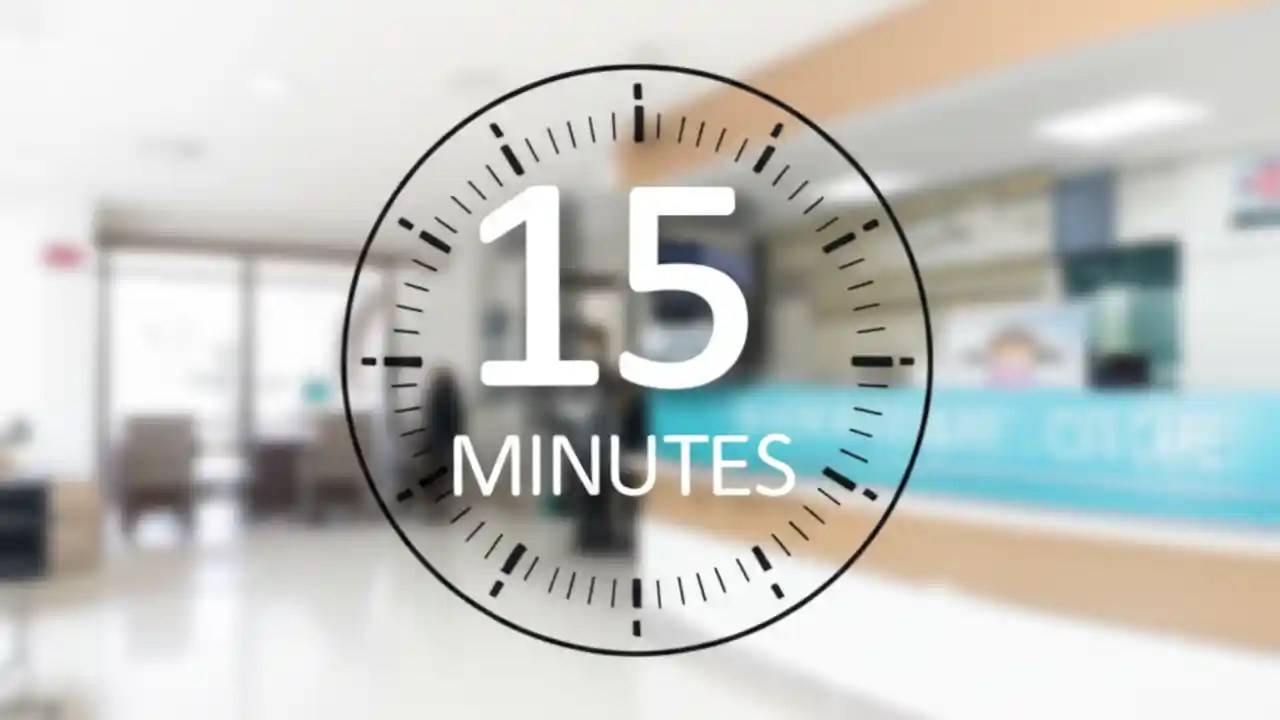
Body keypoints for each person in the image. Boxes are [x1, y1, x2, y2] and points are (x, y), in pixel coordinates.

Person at [421, 367, 465, 520]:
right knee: (441, 478)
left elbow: (435, 422)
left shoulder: (441, 398)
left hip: (441, 444)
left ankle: (438, 507)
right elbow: (455, 422)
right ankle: (438, 507)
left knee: (440, 478)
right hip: (442, 444)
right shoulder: (448, 398)